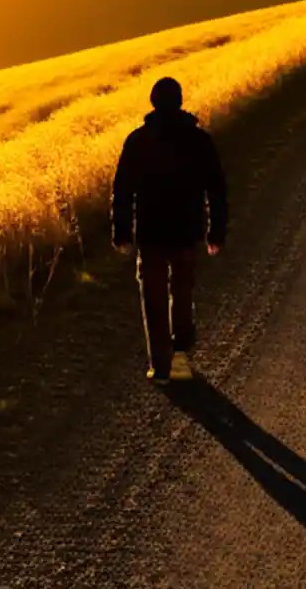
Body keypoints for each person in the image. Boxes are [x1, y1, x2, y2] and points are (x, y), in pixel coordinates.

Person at [112, 77, 227, 385]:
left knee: (154, 298)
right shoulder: (199, 141)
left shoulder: (138, 141)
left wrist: (121, 231)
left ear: (153, 102)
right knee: (183, 291)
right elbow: (217, 189)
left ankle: (161, 366)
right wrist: (216, 231)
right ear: (180, 101)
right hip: (186, 232)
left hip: (151, 234)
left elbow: (122, 190)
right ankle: (181, 347)